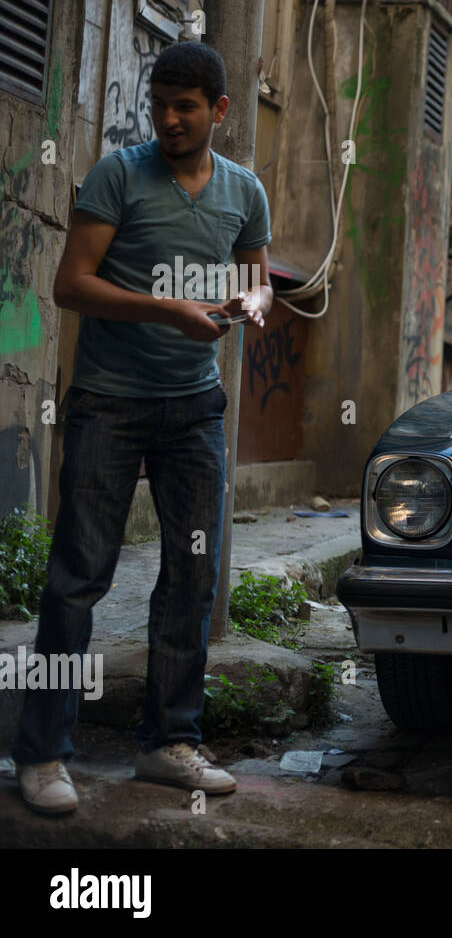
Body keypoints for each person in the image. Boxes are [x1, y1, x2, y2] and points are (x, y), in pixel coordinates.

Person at [12, 41, 274, 814]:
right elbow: (72, 285)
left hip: (194, 409)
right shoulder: (118, 174)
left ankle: (168, 744)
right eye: (159, 104)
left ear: (219, 110)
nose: (168, 119)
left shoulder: (243, 192)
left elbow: (257, 287)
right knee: (77, 579)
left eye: (185, 107)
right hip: (109, 403)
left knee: (190, 579)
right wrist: (170, 309)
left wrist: (247, 306)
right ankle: (43, 754)